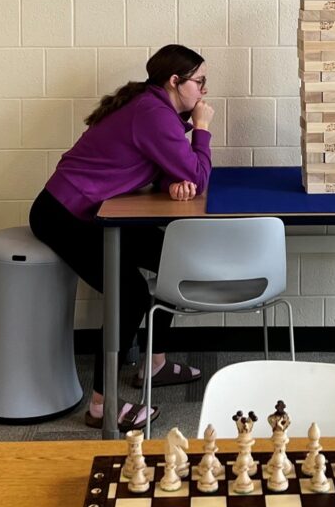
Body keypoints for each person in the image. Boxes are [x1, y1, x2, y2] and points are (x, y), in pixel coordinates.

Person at [31, 44, 214, 432]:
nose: (204, 92)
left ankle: (156, 364)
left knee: (171, 260)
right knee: (129, 292)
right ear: (174, 82)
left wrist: (174, 180)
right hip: (63, 215)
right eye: (199, 82)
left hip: (93, 213)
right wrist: (203, 130)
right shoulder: (153, 114)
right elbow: (198, 177)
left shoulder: (154, 109)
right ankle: (102, 406)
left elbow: (168, 167)